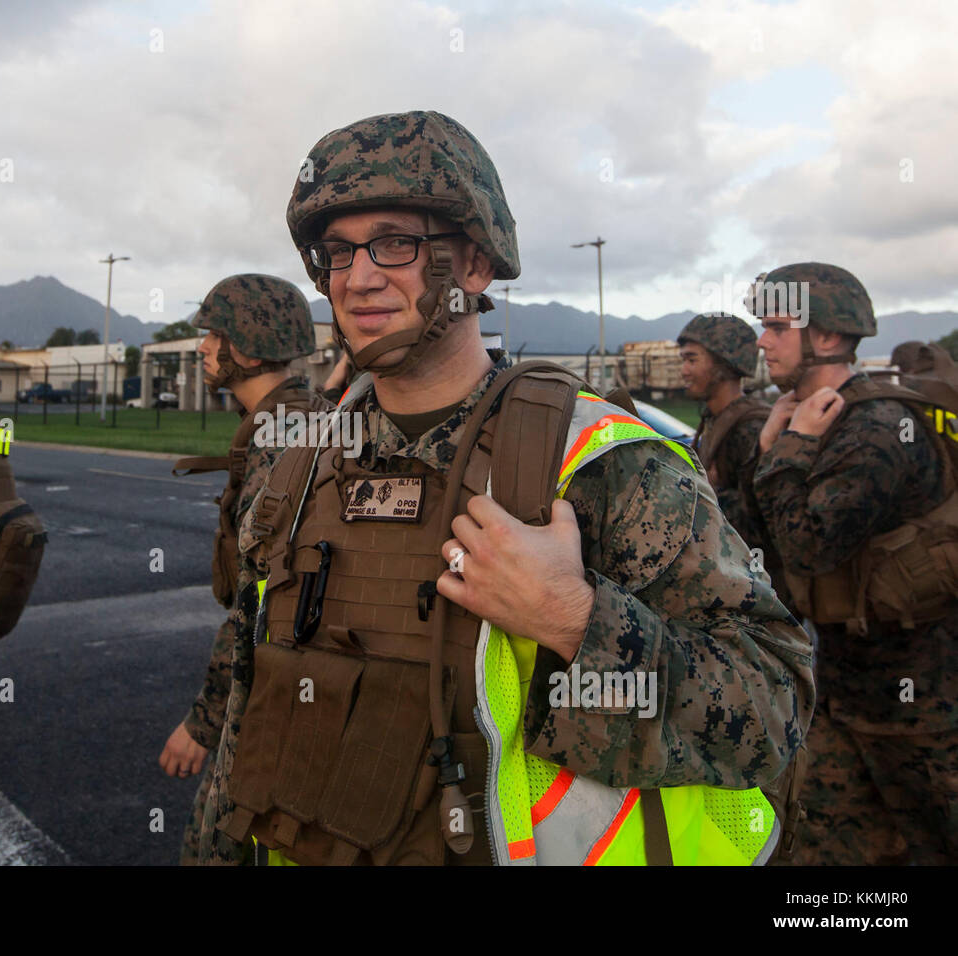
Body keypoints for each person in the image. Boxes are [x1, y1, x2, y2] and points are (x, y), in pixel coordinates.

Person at [194, 111, 813, 866]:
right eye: (336, 252)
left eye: (396, 244)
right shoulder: (301, 467)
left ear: (477, 265)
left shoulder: (594, 462)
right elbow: (248, 708)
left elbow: (772, 705)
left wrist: (575, 618)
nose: (357, 279)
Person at [751, 262, 958, 865]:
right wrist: (776, 450)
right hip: (845, 690)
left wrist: (785, 452)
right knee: (828, 852)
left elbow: (810, 546)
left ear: (830, 338)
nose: (762, 341)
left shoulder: (872, 428)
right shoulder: (811, 420)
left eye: (777, 326)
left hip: (919, 700)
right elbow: (766, 548)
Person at [158, 274, 331, 864]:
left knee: (216, 850)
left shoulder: (284, 441)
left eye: (214, 334)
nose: (203, 346)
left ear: (249, 349)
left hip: (274, 700)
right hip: (291, 689)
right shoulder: (294, 421)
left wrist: (201, 726)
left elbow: (254, 610)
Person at [676, 312, 788, 603]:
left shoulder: (750, 428)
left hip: (761, 589)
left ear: (723, 365)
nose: (683, 371)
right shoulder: (715, 421)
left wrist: (707, 497)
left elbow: (768, 519)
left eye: (691, 360)